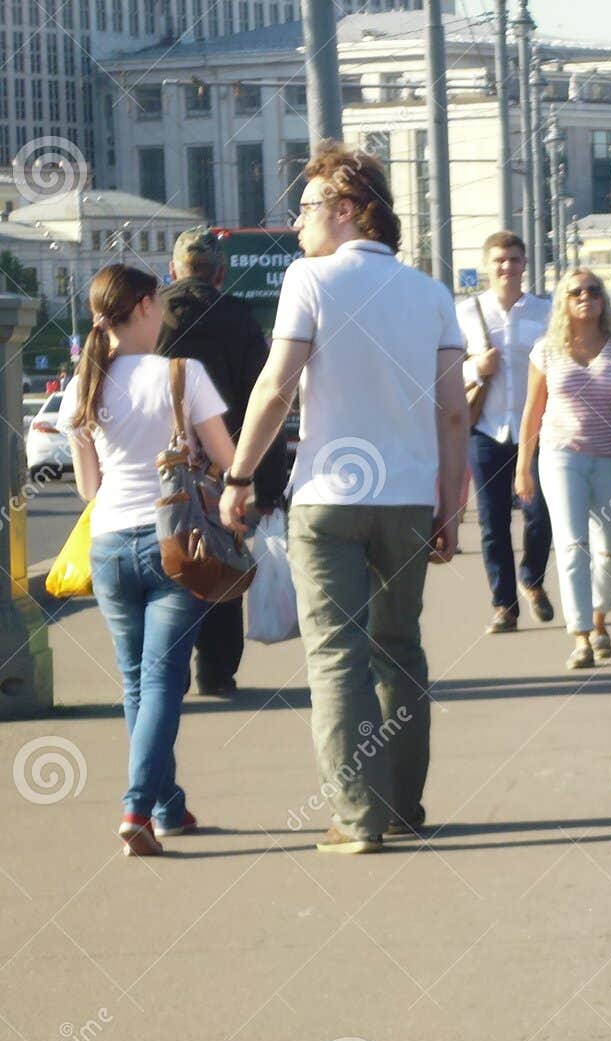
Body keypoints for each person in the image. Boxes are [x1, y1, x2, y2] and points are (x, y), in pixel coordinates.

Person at [220, 142, 470, 855]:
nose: (297, 223)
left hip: (327, 500)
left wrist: (239, 477)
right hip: (408, 502)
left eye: (307, 207)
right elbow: (454, 413)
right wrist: (450, 507)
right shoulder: (431, 294)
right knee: (400, 650)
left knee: (336, 656)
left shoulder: (310, 279)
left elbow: (276, 387)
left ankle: (358, 819)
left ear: (350, 209)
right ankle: (403, 807)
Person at [62, 264, 236, 857]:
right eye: (157, 303)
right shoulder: (181, 375)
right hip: (174, 545)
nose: (161, 312)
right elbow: (227, 459)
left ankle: (166, 806)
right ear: (141, 306)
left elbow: (88, 488)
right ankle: (137, 808)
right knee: (162, 680)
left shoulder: (82, 386)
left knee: (137, 682)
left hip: (109, 544)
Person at [514, 268, 611, 671]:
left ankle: (600, 619)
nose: (586, 297)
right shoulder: (546, 351)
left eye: (593, 291)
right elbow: (532, 412)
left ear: (603, 300)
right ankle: (581, 636)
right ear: (564, 302)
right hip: (561, 456)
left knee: (608, 548)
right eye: (576, 292)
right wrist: (523, 467)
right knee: (572, 545)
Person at [157, 225, 286, 696]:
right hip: (225, 471)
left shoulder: (151, 316)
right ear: (221, 273)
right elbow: (265, 403)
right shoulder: (240, 320)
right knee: (220, 562)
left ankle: (166, 676)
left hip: (161, 470)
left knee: (168, 566)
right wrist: (268, 488)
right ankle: (216, 671)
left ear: (173, 270)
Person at [458, 230, 554, 634]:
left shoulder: (545, 311)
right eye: (499, 260)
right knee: (492, 522)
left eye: (514, 259)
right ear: (487, 265)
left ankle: (531, 578)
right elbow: (444, 370)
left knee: (540, 515)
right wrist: (475, 368)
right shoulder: (466, 312)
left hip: (536, 431)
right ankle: (504, 606)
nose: (506, 267)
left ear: (524, 264)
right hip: (486, 430)